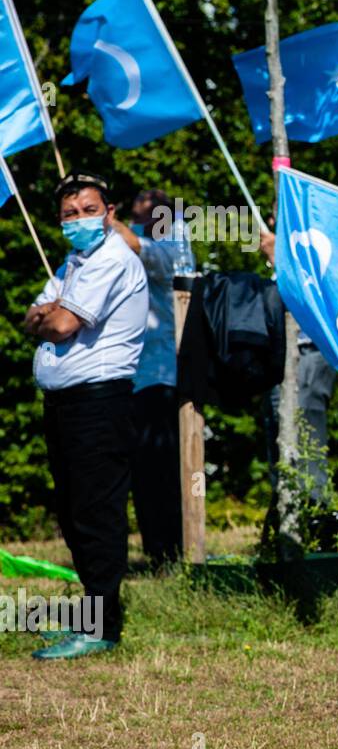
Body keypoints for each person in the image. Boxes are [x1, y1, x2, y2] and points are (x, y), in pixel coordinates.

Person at [23, 173, 148, 659]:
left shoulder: (112, 258)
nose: (79, 221)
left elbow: (58, 321)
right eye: (69, 214)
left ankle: (102, 626)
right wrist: (47, 316)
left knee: (96, 513)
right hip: (65, 405)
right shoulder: (74, 262)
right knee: (75, 515)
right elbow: (31, 317)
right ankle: (93, 616)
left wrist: (50, 315)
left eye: (88, 210)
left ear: (109, 212)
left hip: (99, 402)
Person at [109, 188, 191, 566]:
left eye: (143, 204)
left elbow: (161, 262)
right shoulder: (130, 243)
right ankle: (154, 549)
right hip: (134, 373)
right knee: (142, 469)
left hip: (163, 372)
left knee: (165, 468)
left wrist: (111, 225)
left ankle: (174, 549)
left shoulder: (173, 234)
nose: (135, 209)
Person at [259, 220, 338, 550]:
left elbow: (309, 303)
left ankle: (318, 526)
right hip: (282, 357)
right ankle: (287, 522)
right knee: (281, 439)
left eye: (277, 219)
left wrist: (281, 263)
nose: (270, 226)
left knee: (306, 438)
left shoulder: (318, 255)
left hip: (310, 354)